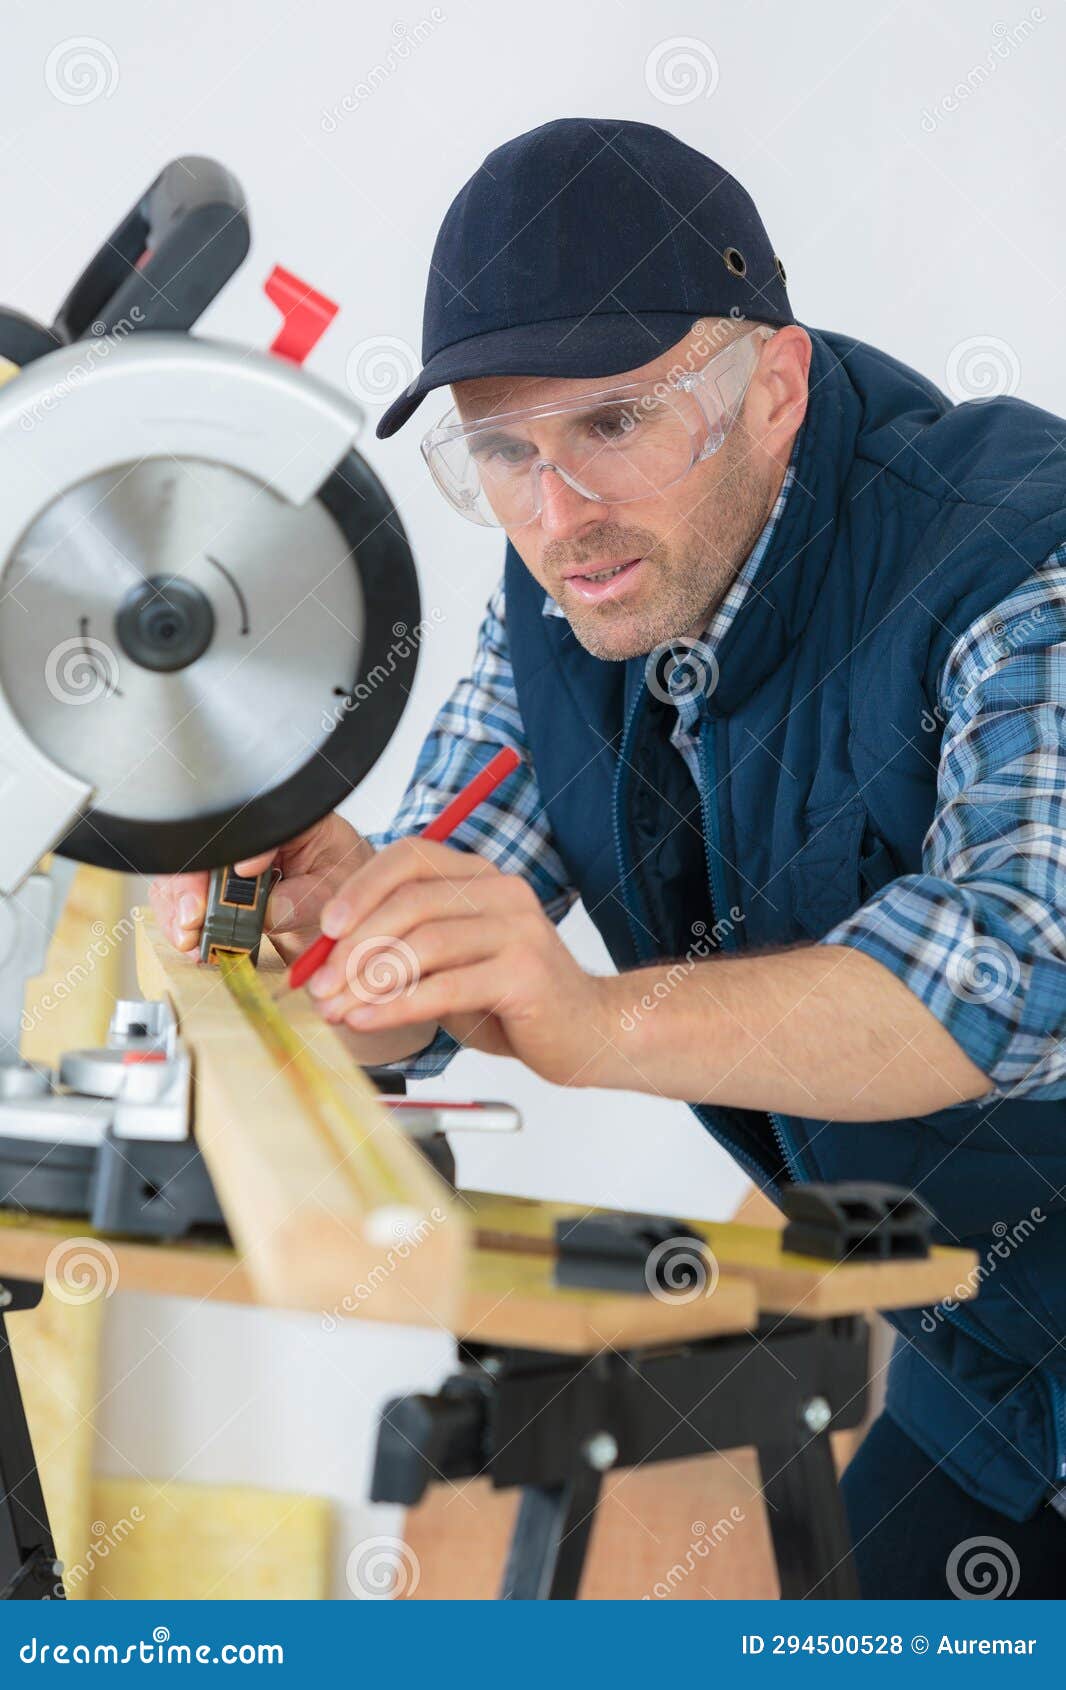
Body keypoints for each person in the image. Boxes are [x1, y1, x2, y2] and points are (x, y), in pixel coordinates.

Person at [151, 118, 1066, 1597]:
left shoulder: (1017, 558)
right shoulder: (573, 607)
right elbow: (445, 934)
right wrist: (329, 912)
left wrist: (582, 1021)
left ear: (772, 388)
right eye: (501, 452)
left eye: (612, 426)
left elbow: (1015, 973)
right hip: (992, 1386)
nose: (554, 514)